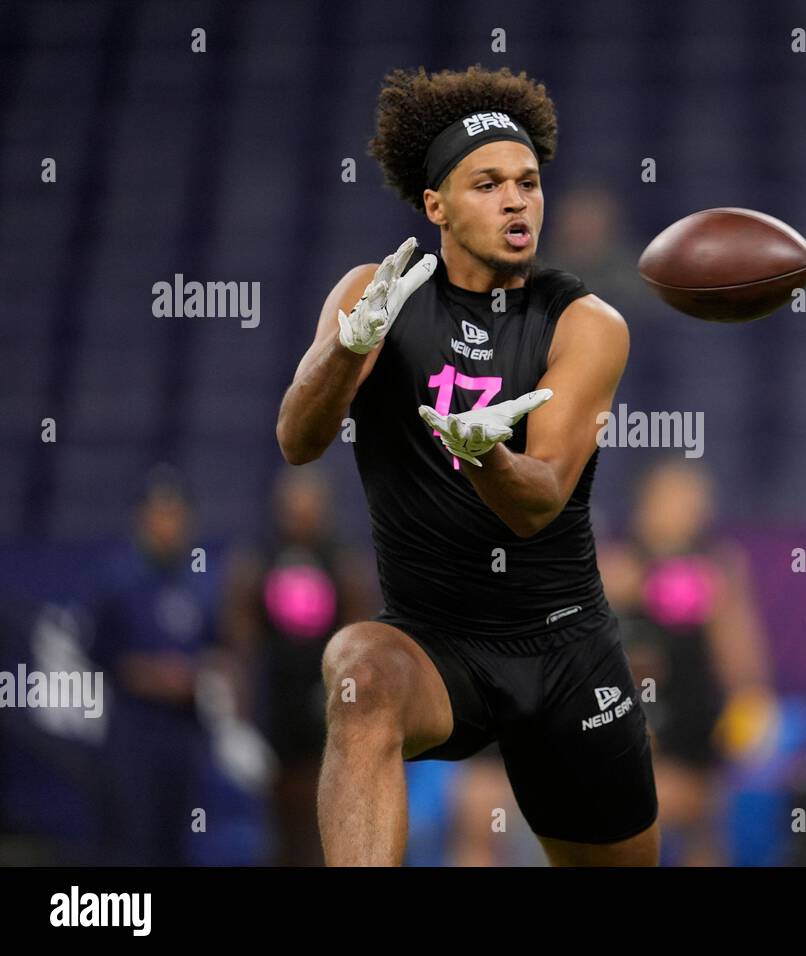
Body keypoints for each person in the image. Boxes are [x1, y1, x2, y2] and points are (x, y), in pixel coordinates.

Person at [275, 64, 657, 866]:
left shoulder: (587, 324)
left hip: (564, 652)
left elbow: (538, 501)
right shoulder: (374, 293)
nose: (517, 200)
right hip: (435, 648)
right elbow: (298, 439)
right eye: (487, 184)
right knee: (358, 672)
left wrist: (481, 452)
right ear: (435, 205)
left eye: (528, 182)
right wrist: (349, 350)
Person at [600, 460, 774, 866]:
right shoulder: (617, 565)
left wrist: (751, 697)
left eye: (697, 498)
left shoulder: (718, 565)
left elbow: (737, 643)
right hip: (639, 715)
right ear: (648, 504)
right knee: (640, 828)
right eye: (679, 496)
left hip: (697, 713)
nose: (693, 507)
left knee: (703, 824)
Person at [222, 464, 373, 866]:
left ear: (322, 508)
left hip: (320, 695)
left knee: (318, 801)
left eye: (309, 505)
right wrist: (238, 713)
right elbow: (240, 635)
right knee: (278, 811)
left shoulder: (341, 561)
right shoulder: (259, 559)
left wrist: (346, 694)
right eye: (293, 505)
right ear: (280, 507)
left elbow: (359, 630)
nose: (301, 513)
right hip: (277, 696)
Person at [90, 465, 219, 865]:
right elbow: (98, 653)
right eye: (160, 514)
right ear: (142, 518)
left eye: (176, 514)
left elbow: (216, 652)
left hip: (183, 730)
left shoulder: (198, 583)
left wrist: (199, 675)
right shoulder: (118, 580)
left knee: (177, 841)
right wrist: (149, 675)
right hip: (135, 731)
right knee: (134, 841)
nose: (168, 524)